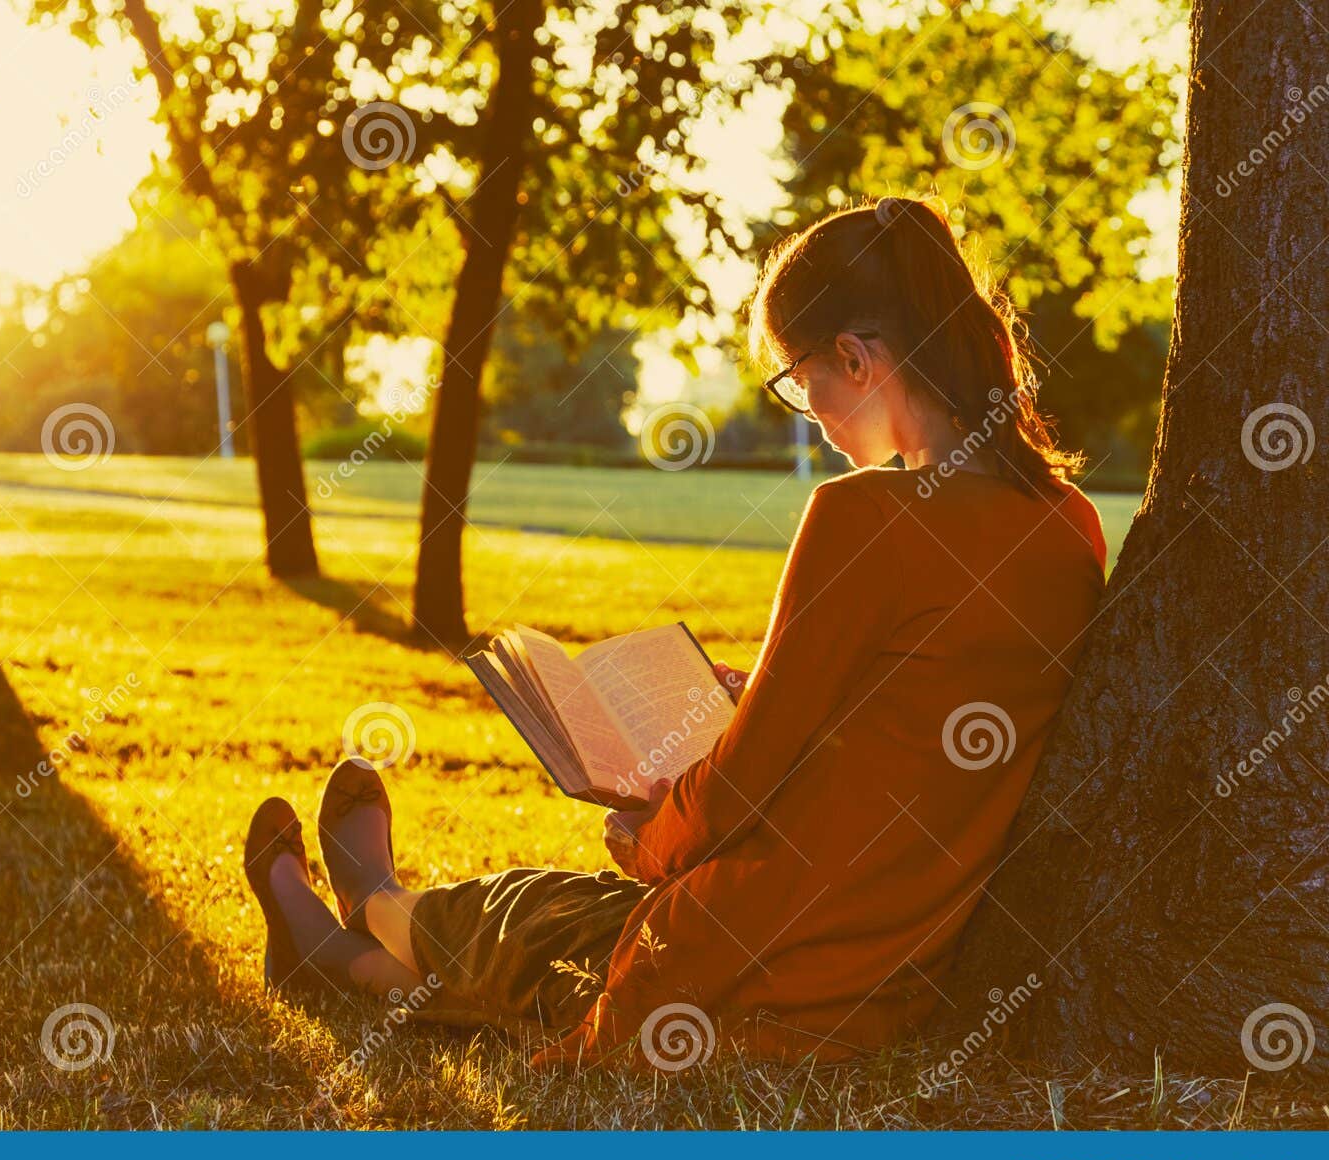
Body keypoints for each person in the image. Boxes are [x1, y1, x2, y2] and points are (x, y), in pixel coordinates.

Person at [243, 195, 1108, 1067]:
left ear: (855, 357)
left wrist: (648, 836)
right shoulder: (1069, 525)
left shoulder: (865, 517)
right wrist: (752, 694)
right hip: (891, 974)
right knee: (560, 928)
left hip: (767, 951)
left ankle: (359, 922)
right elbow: (911, 709)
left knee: (540, 921)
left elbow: (736, 795)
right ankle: (363, 920)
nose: (805, 410)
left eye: (799, 382)